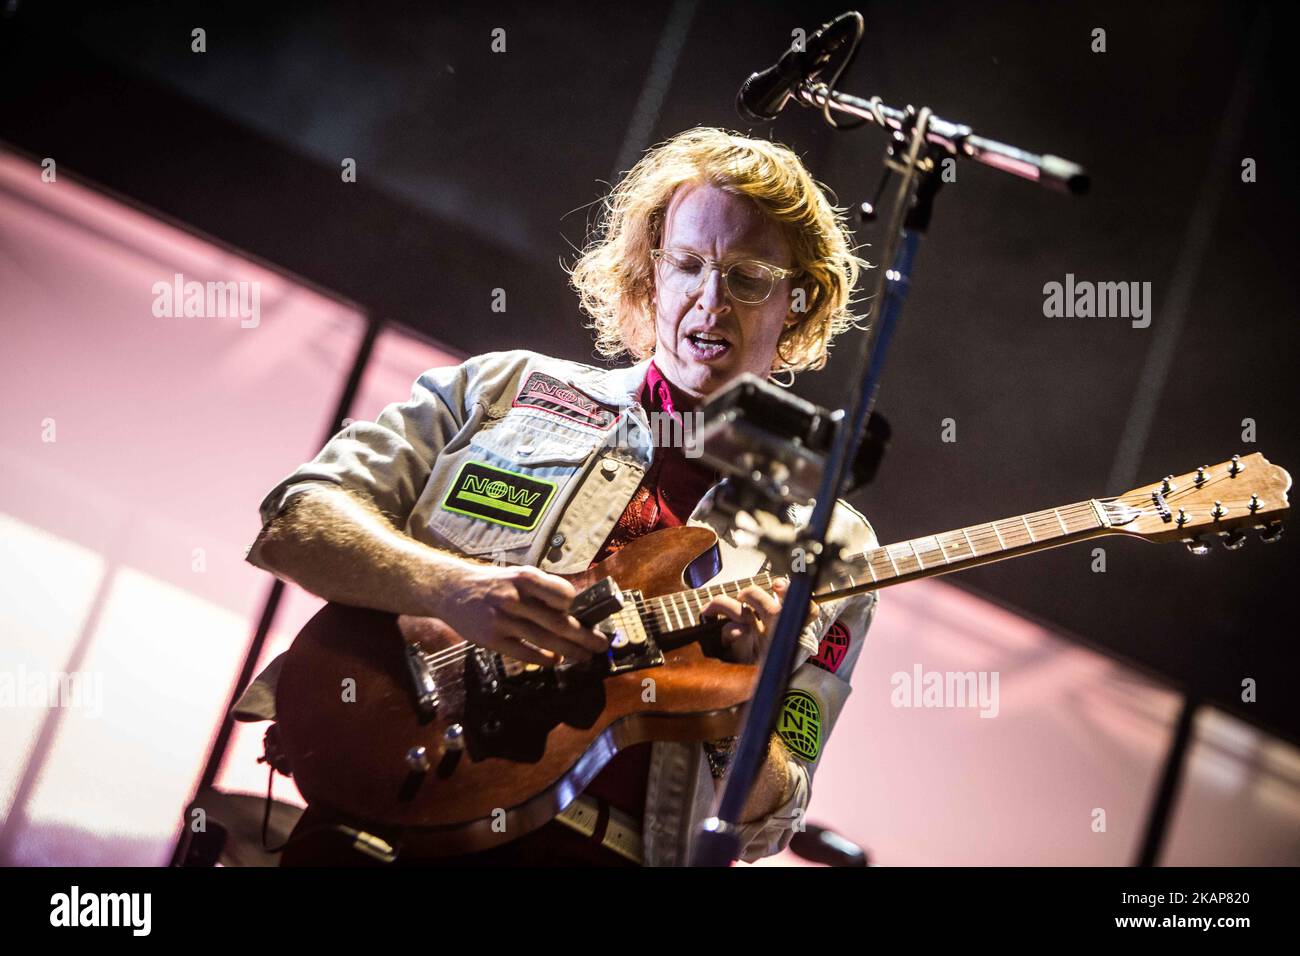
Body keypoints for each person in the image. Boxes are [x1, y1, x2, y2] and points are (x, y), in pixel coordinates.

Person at [233, 126, 879, 866]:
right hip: (385, 828)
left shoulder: (836, 546)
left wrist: (744, 702)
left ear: (796, 302)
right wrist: (450, 589)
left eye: (748, 278)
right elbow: (298, 516)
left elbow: (772, 820)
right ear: (649, 274)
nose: (710, 300)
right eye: (688, 264)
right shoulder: (504, 387)